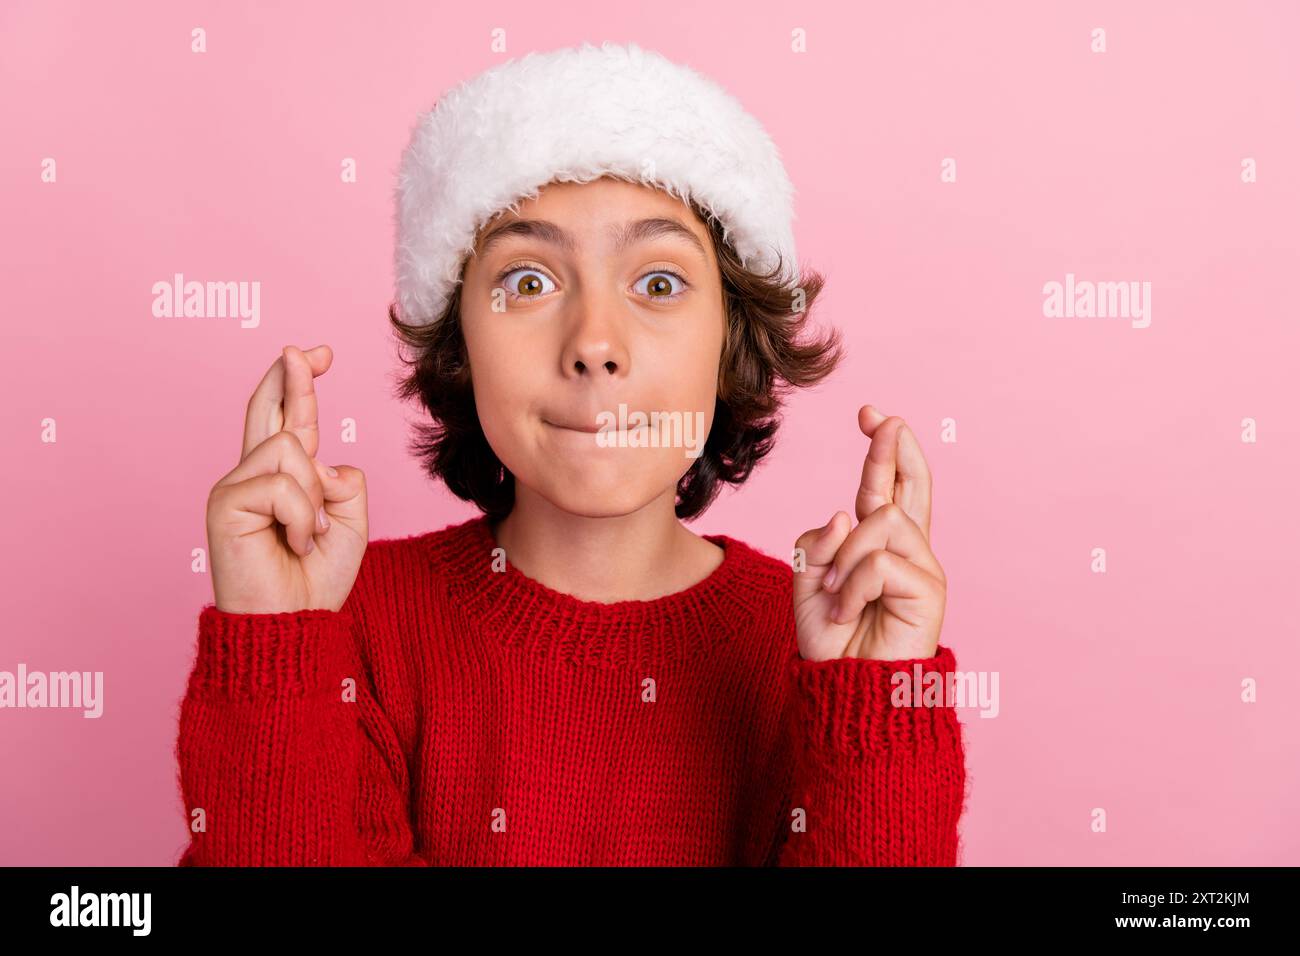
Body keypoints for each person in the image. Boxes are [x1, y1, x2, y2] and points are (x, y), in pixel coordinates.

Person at [177, 41, 966, 866]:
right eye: (528, 281)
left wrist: (875, 709)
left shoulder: (823, 649)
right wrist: (275, 643)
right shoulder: (345, 626)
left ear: (731, 337)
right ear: (460, 340)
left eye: (658, 283)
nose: (594, 343)